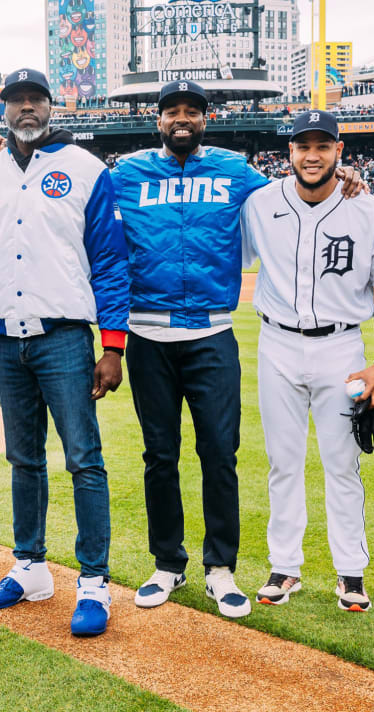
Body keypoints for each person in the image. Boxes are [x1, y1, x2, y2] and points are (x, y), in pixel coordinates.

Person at [0, 68, 129, 637]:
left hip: (65, 337)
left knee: (84, 458)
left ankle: (94, 584)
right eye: (16, 101)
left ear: (51, 106)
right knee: (23, 459)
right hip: (7, 339)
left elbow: (109, 260)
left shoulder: (85, 167)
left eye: (35, 99)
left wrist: (112, 346)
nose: (25, 108)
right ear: (4, 109)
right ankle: (29, 567)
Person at [240, 110, 374, 613]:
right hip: (277, 344)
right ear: (288, 152)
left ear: (340, 151)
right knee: (282, 461)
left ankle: (351, 572)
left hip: (341, 348)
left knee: (342, 462)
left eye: (323, 146)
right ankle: (284, 566)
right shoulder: (259, 204)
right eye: (302, 146)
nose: (312, 155)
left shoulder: (372, 211)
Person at [110, 81, 266, 618]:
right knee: (160, 456)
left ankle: (221, 568)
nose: (182, 119)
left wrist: (347, 180)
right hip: (147, 335)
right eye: (172, 111)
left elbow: (292, 199)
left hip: (210, 334)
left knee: (220, 454)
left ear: (206, 118)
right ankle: (168, 562)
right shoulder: (127, 174)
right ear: (158, 120)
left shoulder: (235, 170)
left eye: (192, 112)